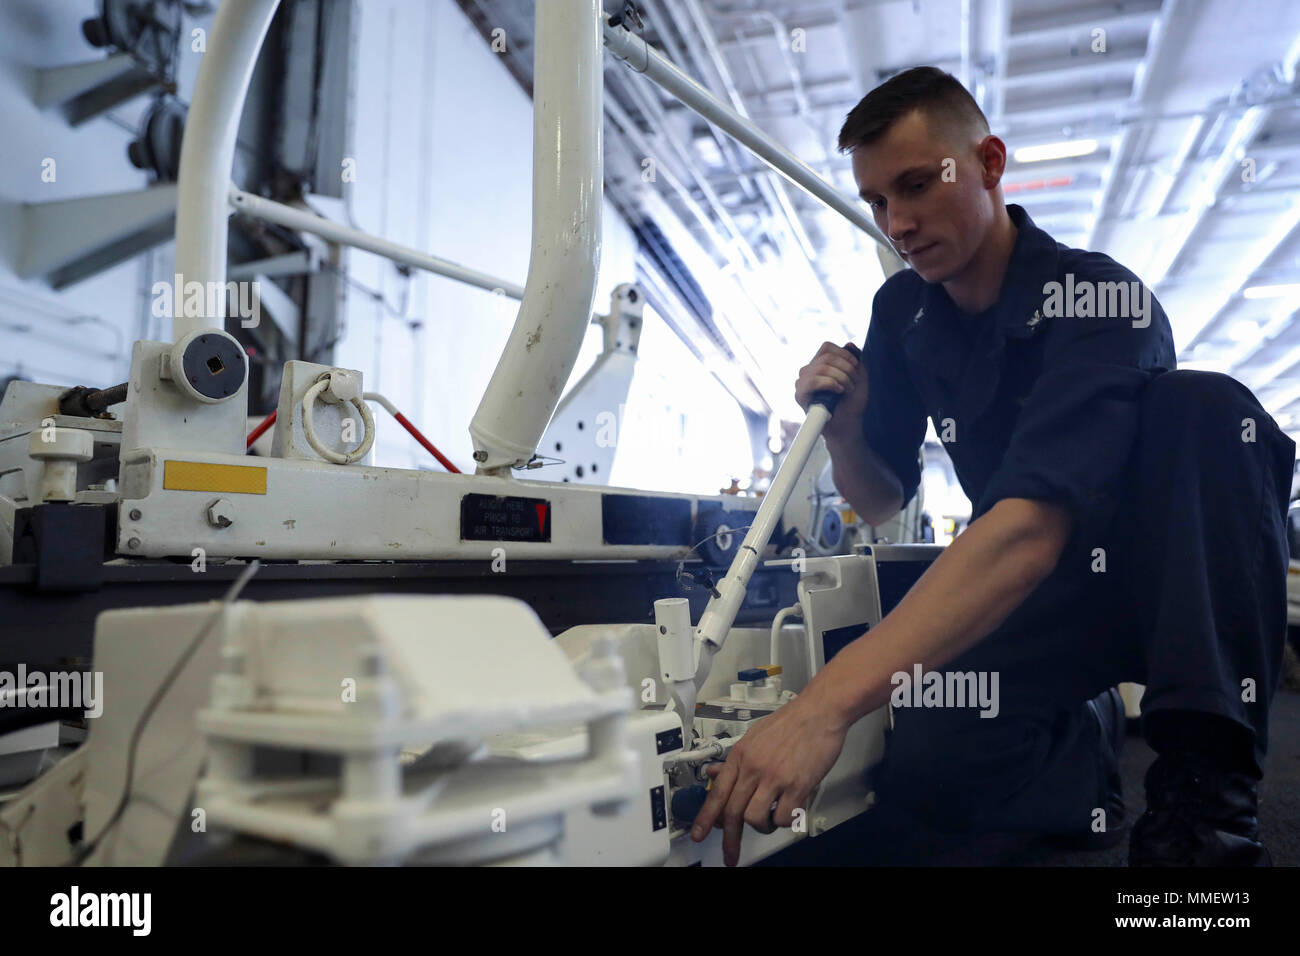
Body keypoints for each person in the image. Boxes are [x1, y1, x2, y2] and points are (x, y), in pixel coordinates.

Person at [690, 66, 1294, 867]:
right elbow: (881, 500)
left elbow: (1030, 530)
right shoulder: (901, 312)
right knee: (935, 759)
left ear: (989, 163)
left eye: (914, 186)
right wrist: (848, 431)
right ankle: (1091, 740)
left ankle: (1204, 807)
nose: (896, 222)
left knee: (1207, 407)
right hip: (1044, 600)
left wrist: (819, 710)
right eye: (875, 201)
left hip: (1167, 591)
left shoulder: (1100, 297)